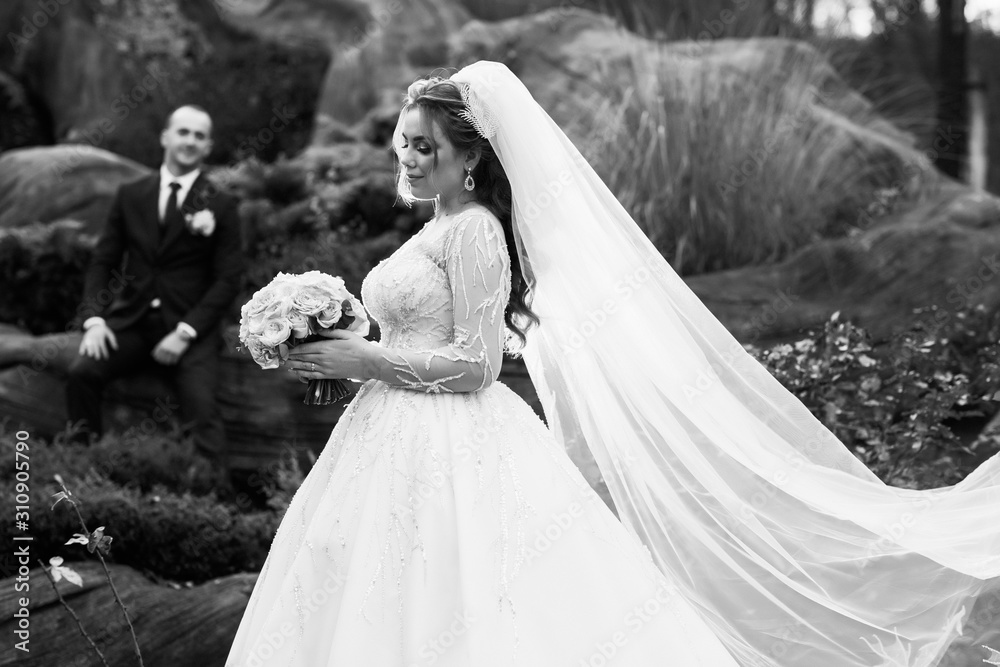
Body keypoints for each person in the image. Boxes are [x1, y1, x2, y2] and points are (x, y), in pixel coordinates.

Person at [226, 62, 1000, 666]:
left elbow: (479, 364)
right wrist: (342, 348)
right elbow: (412, 336)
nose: (409, 157)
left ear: (470, 158)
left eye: (425, 146)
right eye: (404, 143)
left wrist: (366, 356)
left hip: (454, 439)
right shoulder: (432, 231)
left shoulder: (473, 232)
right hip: (388, 435)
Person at [66, 105, 244, 483]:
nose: (190, 141)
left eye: (199, 136)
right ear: (165, 137)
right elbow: (103, 262)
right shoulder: (131, 195)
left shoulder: (222, 205)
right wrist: (94, 319)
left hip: (189, 331)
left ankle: (215, 499)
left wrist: (185, 333)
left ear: (208, 146)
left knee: (203, 408)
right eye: (183, 132)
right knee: (83, 372)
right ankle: (84, 474)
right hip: (132, 321)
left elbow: (227, 280)